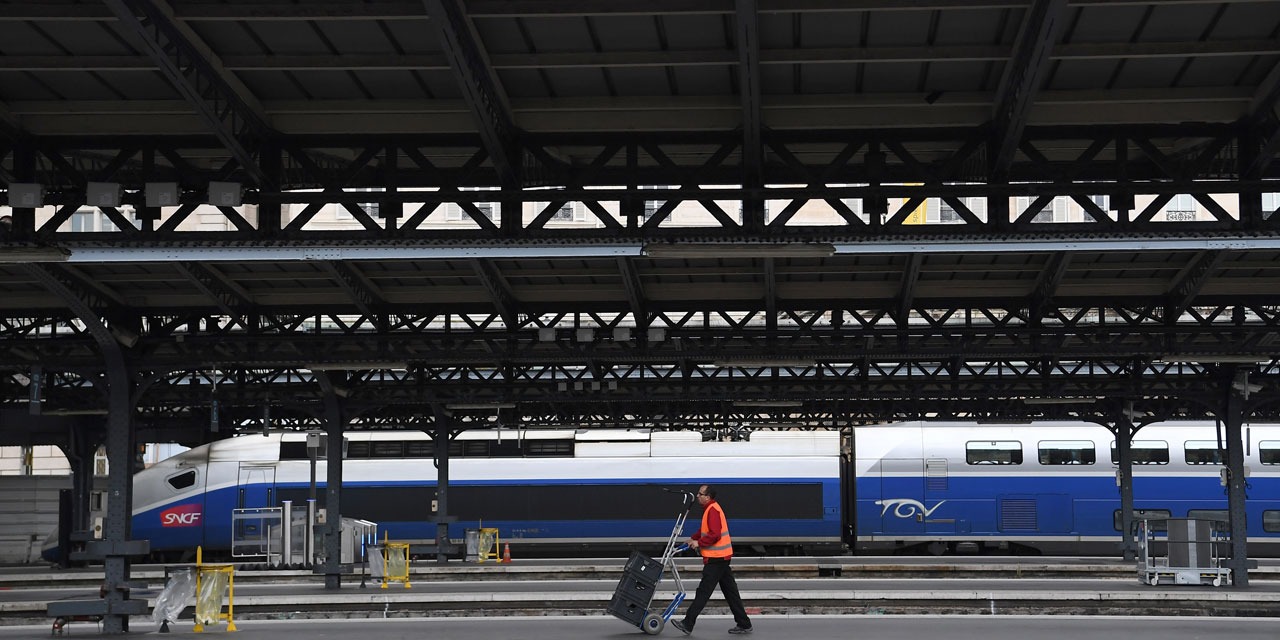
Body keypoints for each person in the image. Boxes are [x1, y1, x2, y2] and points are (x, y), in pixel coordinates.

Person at [670, 485, 753, 635]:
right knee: (731, 592)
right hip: (721, 557)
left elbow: (715, 535)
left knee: (703, 592)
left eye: (700, 494)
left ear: (707, 497)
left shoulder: (712, 510)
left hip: (717, 558)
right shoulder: (710, 509)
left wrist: (699, 543)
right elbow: (705, 531)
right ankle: (744, 623)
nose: (697, 496)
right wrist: (692, 538)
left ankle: (688, 623)